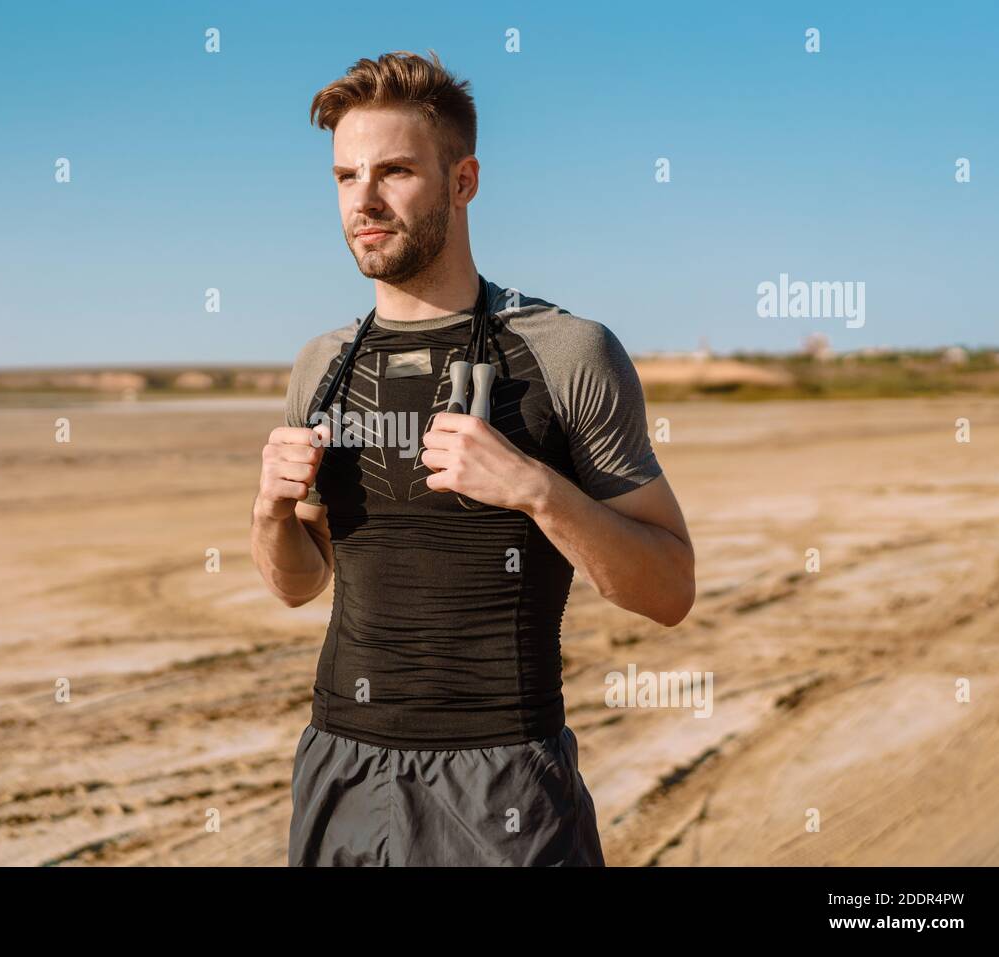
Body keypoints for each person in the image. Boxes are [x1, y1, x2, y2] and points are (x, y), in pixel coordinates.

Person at [251, 50, 695, 866]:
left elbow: (668, 588)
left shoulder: (567, 352)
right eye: (346, 176)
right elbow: (298, 580)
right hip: (339, 766)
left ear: (464, 181)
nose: (365, 200)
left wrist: (535, 490)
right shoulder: (323, 363)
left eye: (394, 172)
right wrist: (271, 513)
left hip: (503, 784)